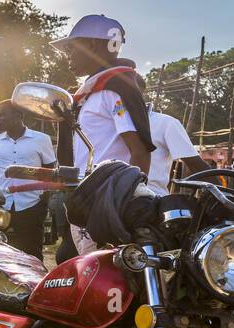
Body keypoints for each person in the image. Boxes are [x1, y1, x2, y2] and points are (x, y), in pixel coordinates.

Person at [50, 14, 154, 254]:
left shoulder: (114, 88)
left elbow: (139, 152)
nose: (68, 55)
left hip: (108, 201)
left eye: (71, 48)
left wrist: (127, 203)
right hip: (89, 197)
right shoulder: (92, 92)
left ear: (93, 45)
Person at [0, 98, 56, 258]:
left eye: (2, 115)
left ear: (18, 115)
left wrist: (43, 202)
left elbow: (50, 171)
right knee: (2, 253)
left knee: (32, 253)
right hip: (2, 205)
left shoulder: (41, 139)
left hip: (31, 205)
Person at [133, 73, 205, 194]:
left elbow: (196, 165)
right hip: (104, 200)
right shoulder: (104, 122)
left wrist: (227, 200)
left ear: (140, 92)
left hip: (150, 202)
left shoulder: (166, 123)